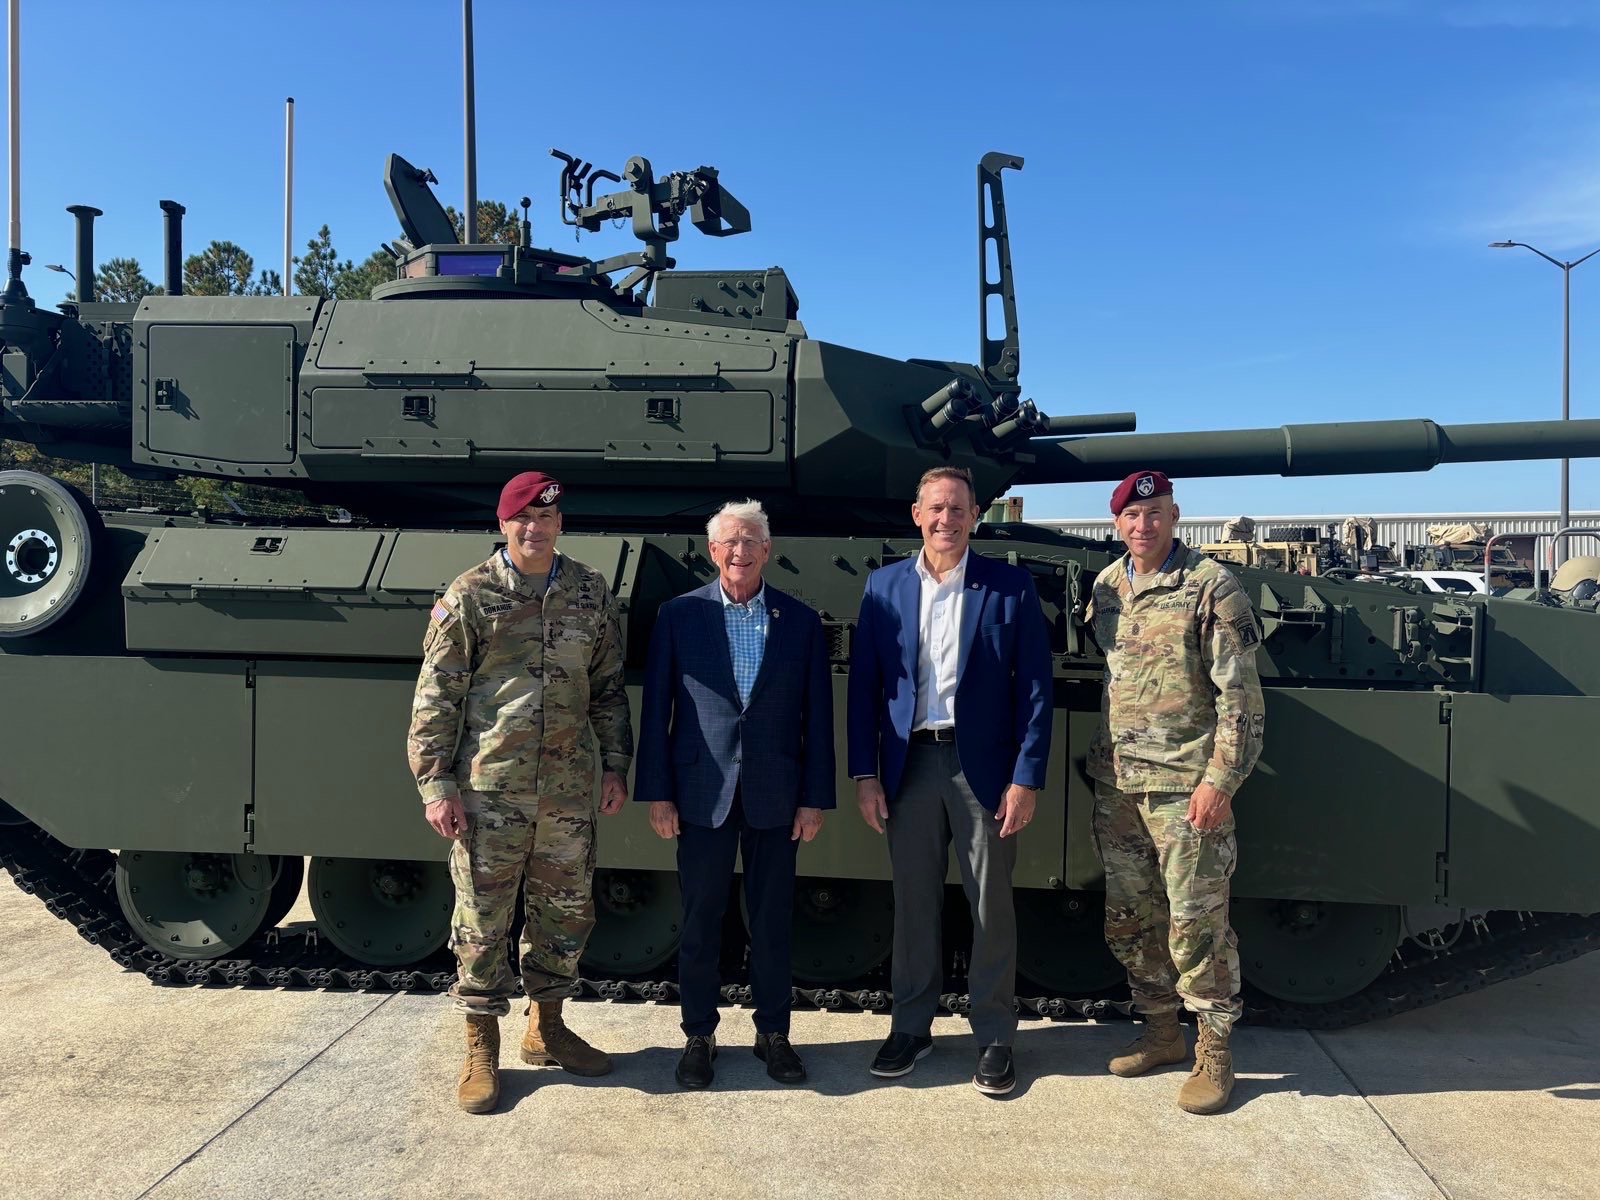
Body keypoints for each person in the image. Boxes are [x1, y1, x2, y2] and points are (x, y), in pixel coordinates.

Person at [407, 470, 633, 1115]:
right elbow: (437, 694)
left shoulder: (589, 590)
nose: (535, 528)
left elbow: (607, 687)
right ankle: (482, 1045)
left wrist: (615, 764)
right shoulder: (472, 594)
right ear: (503, 524)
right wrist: (436, 783)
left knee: (565, 913)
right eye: (522, 518)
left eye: (546, 517)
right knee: (482, 919)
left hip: (567, 789)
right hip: (490, 788)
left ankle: (547, 1027)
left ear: (561, 523)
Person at [846, 466, 1051, 1097]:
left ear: (974, 516)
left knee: (991, 903)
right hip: (909, 764)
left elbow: (1035, 689)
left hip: (982, 768)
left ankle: (994, 1035)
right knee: (913, 902)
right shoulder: (883, 586)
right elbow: (865, 686)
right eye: (936, 508)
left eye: (958, 508)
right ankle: (912, 1026)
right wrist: (865, 773)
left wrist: (1026, 777)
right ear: (917, 515)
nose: (946, 519)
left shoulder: (1009, 586)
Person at [635, 499, 835, 1089]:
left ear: (767, 550)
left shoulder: (800, 621)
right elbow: (657, 711)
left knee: (772, 921)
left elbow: (817, 718)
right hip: (701, 791)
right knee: (701, 920)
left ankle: (774, 1033)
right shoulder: (679, 615)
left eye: (751, 541)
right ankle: (699, 1034)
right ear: (712, 551)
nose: (740, 551)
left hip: (777, 793)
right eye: (730, 542)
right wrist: (658, 793)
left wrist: (814, 797)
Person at [1085, 469, 1265, 1115]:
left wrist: (1221, 780)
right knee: (1131, 921)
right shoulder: (1108, 586)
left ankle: (1214, 1052)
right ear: (1118, 524)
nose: (1144, 525)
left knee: (1197, 924)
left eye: (1155, 512)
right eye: (1132, 516)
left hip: (1186, 786)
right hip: (1121, 784)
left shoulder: (1211, 584)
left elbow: (1241, 696)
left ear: (1174, 514)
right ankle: (1162, 1031)